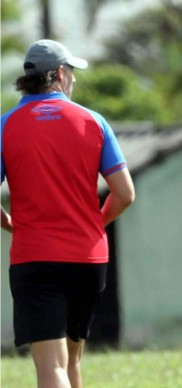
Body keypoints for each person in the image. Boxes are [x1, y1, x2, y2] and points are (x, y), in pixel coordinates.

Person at [1, 39, 135, 388]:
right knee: (72, 362)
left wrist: (6, 221)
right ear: (60, 74)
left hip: (35, 259)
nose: (73, 80)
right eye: (71, 72)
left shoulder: (5, 125)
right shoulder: (94, 121)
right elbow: (124, 194)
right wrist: (94, 222)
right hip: (88, 261)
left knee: (51, 367)